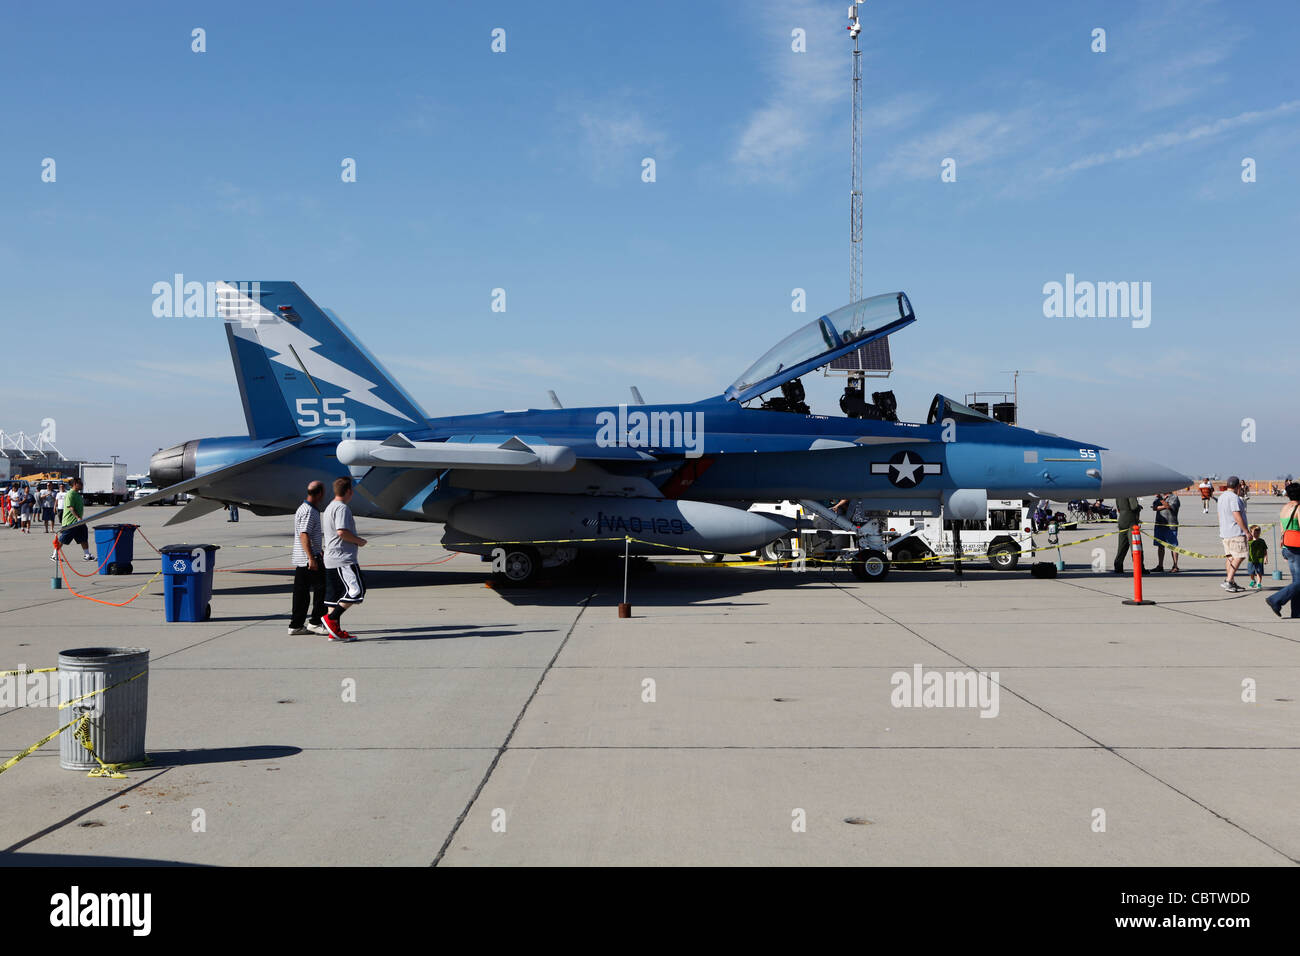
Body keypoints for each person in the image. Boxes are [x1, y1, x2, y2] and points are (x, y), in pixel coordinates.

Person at [321, 476, 367, 642]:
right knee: (357, 591)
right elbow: (342, 531)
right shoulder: (341, 508)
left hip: (331, 558)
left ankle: (334, 632)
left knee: (333, 596)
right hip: (343, 559)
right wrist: (359, 541)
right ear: (348, 491)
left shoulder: (329, 507)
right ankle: (331, 619)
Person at [289, 481, 329, 636]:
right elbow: (304, 534)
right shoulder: (309, 511)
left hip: (303, 558)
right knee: (322, 590)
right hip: (308, 559)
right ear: (319, 493)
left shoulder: (304, 508)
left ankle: (296, 625)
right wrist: (312, 558)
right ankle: (315, 622)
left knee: (301, 593)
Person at [1266, 482, 1300, 618]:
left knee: (1297, 581)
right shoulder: (1298, 508)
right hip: (1297, 548)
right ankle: (1276, 599)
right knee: (1299, 582)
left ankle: (1297, 612)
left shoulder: (1284, 508)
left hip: (1287, 546)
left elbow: (1282, 529)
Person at [51, 477, 94, 563]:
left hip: (78, 522)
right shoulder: (70, 494)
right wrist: (78, 517)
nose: (82, 485)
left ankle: (87, 555)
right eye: (80, 483)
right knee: (63, 539)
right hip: (70, 522)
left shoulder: (78, 494)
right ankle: (54, 555)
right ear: (74, 484)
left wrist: (79, 519)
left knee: (83, 537)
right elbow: (71, 508)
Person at [1218, 476, 1249, 592]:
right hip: (1236, 532)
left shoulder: (1221, 497)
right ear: (1238, 486)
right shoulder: (1234, 498)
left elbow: (1219, 515)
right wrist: (1246, 531)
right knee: (1239, 556)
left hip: (1225, 532)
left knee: (1230, 557)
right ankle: (1228, 580)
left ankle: (1231, 581)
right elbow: (1236, 515)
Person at [1151, 492, 1181, 572]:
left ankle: (1175, 566)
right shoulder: (1158, 497)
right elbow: (1154, 508)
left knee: (1173, 546)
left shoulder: (1174, 498)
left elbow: (1169, 506)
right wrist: (1164, 505)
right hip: (1159, 524)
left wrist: (1161, 502)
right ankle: (1160, 565)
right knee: (1160, 546)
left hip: (1170, 525)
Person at [1112, 496, 1142, 573]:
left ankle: (1118, 566)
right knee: (1136, 546)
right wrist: (1139, 507)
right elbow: (1134, 506)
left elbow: (1118, 508)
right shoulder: (1131, 493)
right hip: (1131, 521)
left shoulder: (1119, 493)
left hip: (1122, 520)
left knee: (1122, 546)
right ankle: (1140, 567)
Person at [1246, 525, 1267, 589]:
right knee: (1251, 572)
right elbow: (1246, 549)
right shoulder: (1249, 541)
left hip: (1260, 559)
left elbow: (1265, 550)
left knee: (1259, 572)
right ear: (1251, 532)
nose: (1256, 534)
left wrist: (1266, 558)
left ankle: (1259, 583)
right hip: (1251, 559)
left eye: (1258, 532)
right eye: (1255, 532)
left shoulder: (1262, 541)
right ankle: (1253, 580)